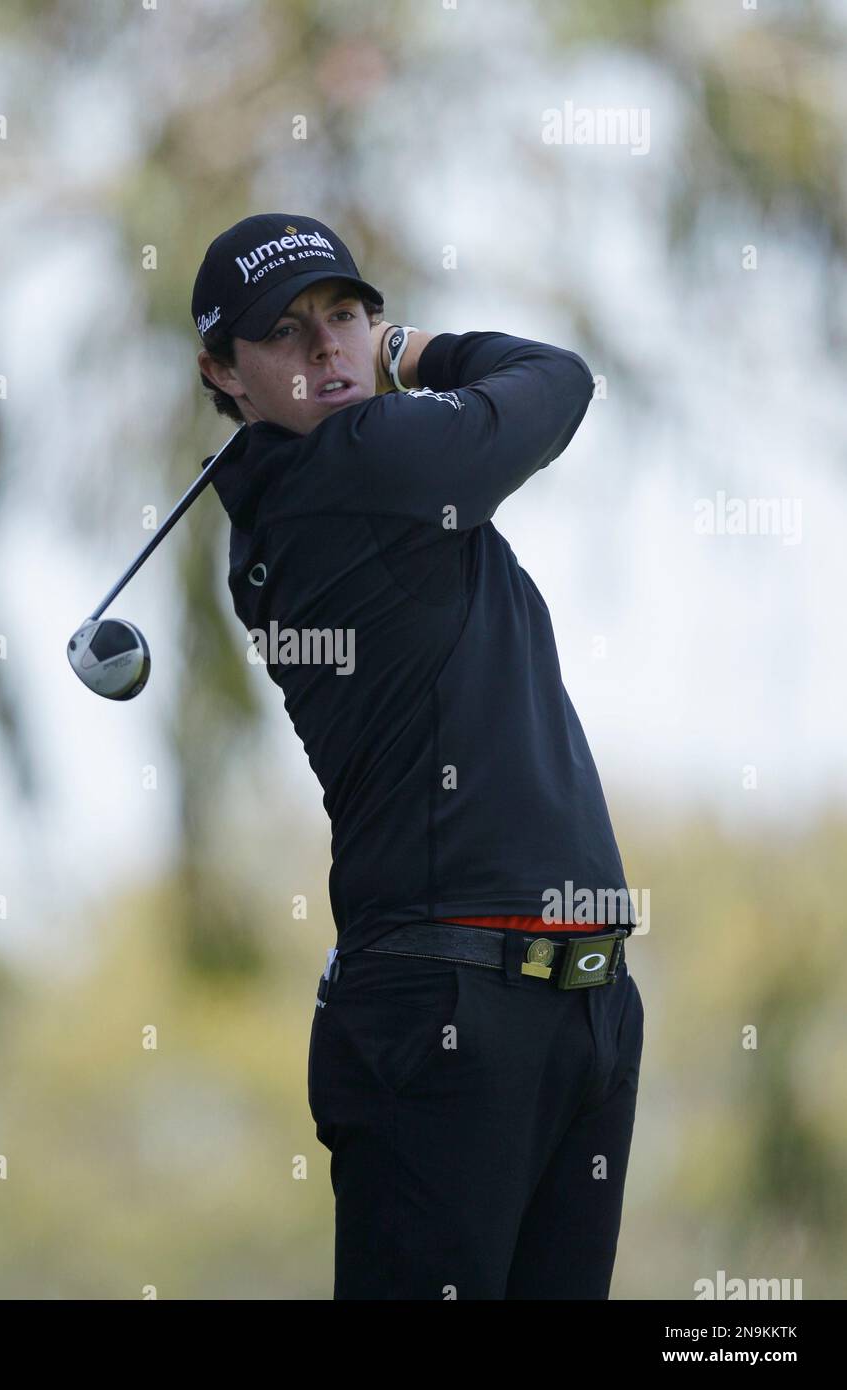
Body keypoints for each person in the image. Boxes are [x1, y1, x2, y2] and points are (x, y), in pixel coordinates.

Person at [190, 212, 644, 1300]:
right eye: (284, 331)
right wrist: (407, 350)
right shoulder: (357, 464)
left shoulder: (332, 484)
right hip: (446, 1008)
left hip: (575, 1000)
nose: (325, 347)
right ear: (224, 373)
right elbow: (557, 380)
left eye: (345, 316)